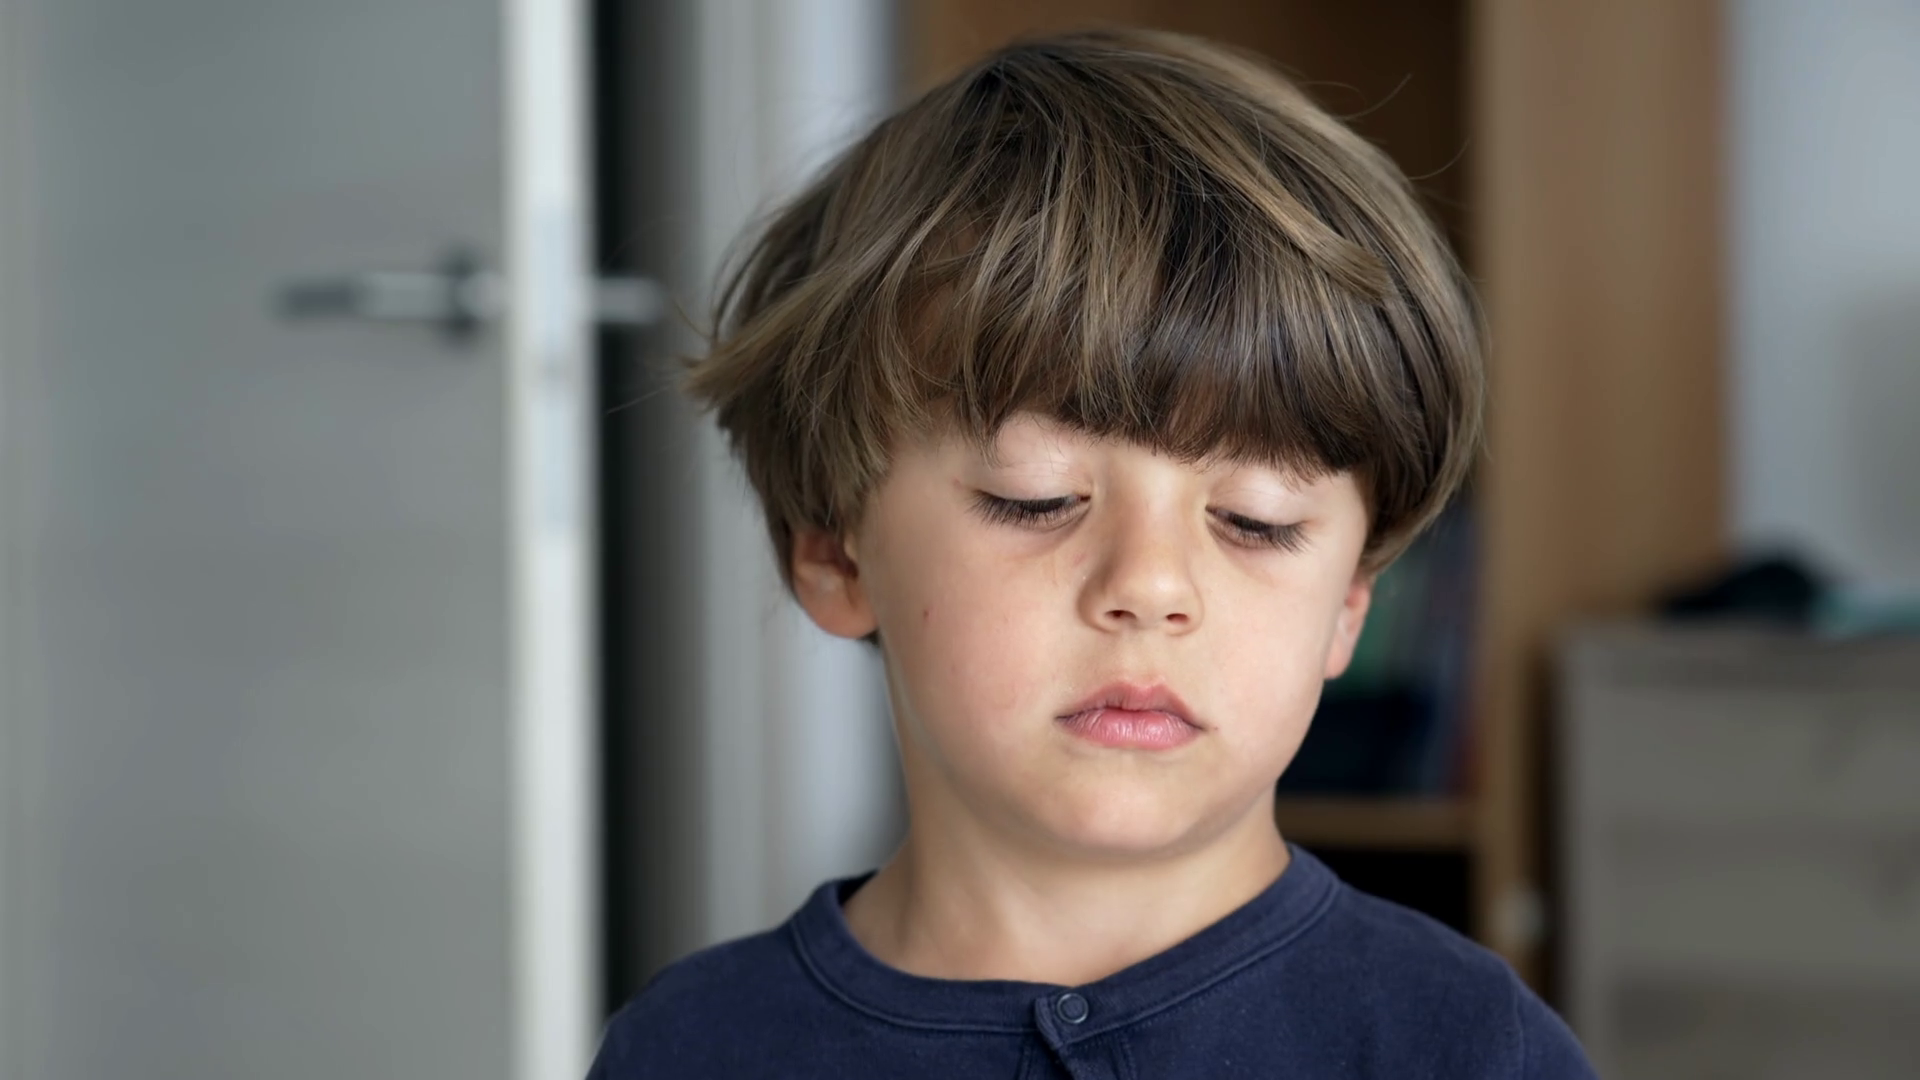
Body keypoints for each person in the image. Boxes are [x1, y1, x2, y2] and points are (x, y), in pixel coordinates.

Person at [588, 26, 1595, 1079]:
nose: (1150, 587)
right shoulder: (693, 1047)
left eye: (1255, 520)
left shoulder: (1468, 1050)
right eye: (1040, 499)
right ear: (836, 553)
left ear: (1350, 603)